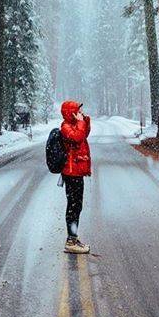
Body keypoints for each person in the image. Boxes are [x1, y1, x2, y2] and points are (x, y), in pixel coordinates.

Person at [59, 100, 91, 254]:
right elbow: (78, 137)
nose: (79, 112)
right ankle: (71, 240)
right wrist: (80, 122)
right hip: (71, 173)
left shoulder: (74, 125)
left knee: (77, 205)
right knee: (73, 206)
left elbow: (84, 135)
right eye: (76, 111)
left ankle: (73, 237)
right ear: (70, 113)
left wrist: (85, 121)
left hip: (77, 172)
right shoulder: (65, 127)